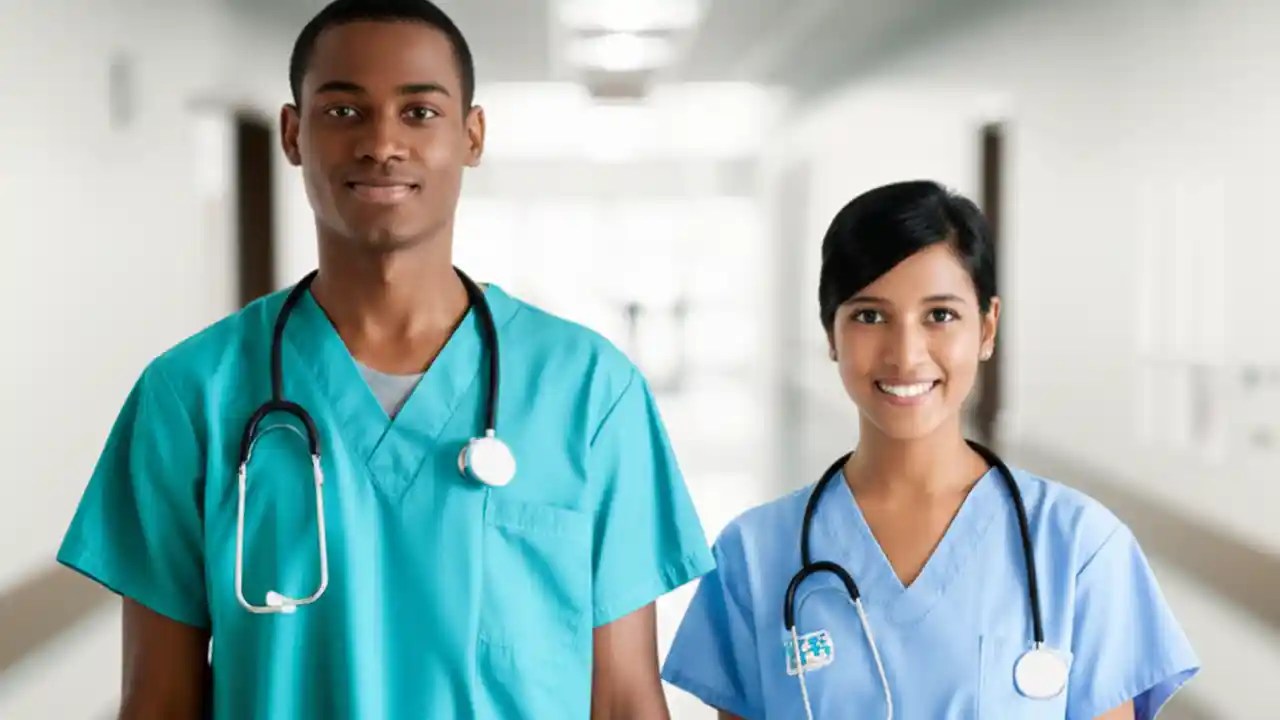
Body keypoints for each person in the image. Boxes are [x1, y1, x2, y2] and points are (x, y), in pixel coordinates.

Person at [56, 1, 714, 717]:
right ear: (292, 133)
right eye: (343, 112)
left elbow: (621, 699)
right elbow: (158, 699)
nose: (381, 144)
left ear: (472, 134)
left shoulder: (588, 390)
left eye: (420, 112)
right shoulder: (192, 395)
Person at [660, 180, 1199, 720]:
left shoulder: (1078, 547)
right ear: (831, 332)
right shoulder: (755, 555)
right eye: (870, 316)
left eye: (940, 315)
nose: (905, 354)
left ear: (987, 328)